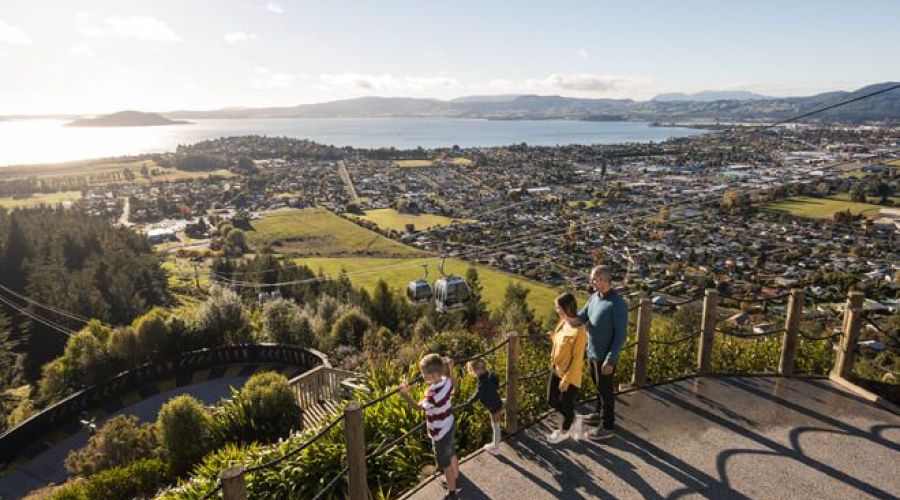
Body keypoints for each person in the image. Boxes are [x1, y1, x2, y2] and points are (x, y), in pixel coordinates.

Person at [566, 265, 627, 441]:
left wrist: (611, 359)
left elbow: (621, 336)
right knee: (599, 387)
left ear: (606, 280)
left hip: (606, 357)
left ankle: (607, 427)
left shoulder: (617, 305)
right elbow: (581, 317)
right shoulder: (594, 298)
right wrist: (566, 317)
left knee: (606, 391)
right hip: (592, 353)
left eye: (597, 279)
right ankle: (598, 414)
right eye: (593, 279)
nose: (593, 282)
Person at [400, 354, 460, 499]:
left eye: (424, 374)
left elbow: (418, 407)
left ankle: (452, 492)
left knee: (445, 464)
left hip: (439, 432)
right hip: (449, 424)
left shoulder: (432, 394)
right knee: (451, 452)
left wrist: (405, 395)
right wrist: (450, 368)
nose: (422, 376)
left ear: (433, 376)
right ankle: (455, 477)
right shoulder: (446, 381)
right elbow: (452, 383)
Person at [546, 292, 588, 444]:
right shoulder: (563, 322)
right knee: (551, 401)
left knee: (566, 404)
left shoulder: (580, 332)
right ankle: (574, 419)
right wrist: (553, 337)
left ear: (566, 308)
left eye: (558, 307)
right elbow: (561, 340)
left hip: (570, 375)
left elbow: (577, 360)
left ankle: (564, 432)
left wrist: (566, 379)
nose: (557, 310)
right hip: (556, 369)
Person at [466, 357, 503, 454]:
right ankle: (496, 443)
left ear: (477, 370)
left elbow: (478, 394)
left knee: (495, 425)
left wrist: (469, 401)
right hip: (497, 401)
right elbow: (496, 381)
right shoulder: (490, 375)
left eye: (473, 371)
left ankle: (496, 447)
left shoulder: (482, 382)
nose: (473, 373)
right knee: (496, 424)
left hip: (492, 405)